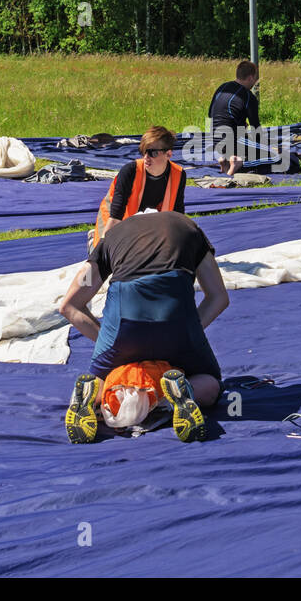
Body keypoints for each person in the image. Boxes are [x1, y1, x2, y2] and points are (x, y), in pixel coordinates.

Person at [60, 211, 229, 444]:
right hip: (176, 316)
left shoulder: (112, 236)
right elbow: (219, 297)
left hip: (123, 319)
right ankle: (173, 396)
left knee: (103, 376)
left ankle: (92, 399)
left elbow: (69, 306)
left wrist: (109, 344)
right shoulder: (188, 227)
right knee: (211, 384)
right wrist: (191, 331)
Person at [90, 126, 186, 250]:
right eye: (144, 151)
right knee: (105, 254)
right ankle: (92, 242)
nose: (146, 157)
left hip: (146, 220)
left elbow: (178, 215)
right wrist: (102, 248)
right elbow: (116, 214)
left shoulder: (178, 174)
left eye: (153, 152)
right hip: (115, 219)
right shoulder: (130, 171)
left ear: (168, 154)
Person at [208, 61, 260, 175]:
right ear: (251, 78)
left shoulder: (223, 87)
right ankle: (236, 162)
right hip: (232, 142)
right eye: (255, 79)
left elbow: (211, 114)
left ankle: (225, 160)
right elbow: (256, 128)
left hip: (214, 141)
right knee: (267, 153)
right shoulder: (248, 97)